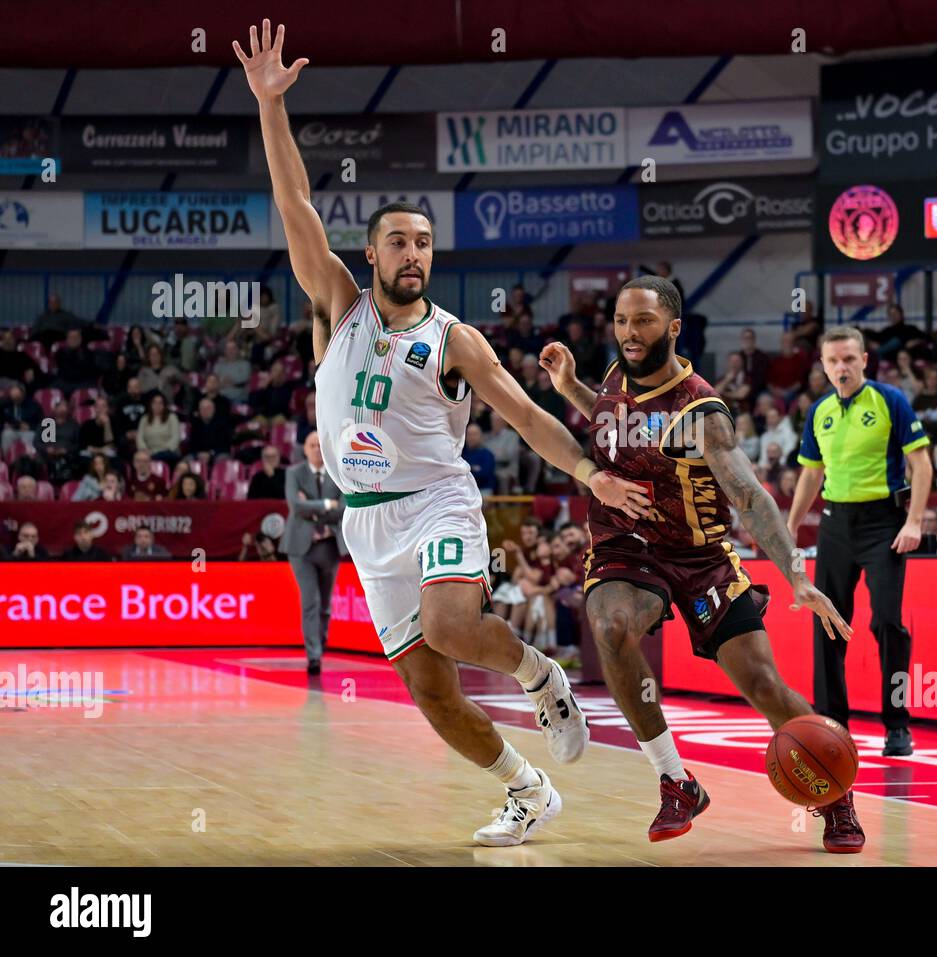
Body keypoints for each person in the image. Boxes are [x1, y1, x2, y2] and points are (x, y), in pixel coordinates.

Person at [237, 20, 647, 848]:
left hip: (437, 502)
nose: (414, 252)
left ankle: (542, 676)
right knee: (430, 688)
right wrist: (269, 107)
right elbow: (293, 203)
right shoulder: (336, 306)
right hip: (364, 517)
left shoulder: (456, 337)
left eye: (424, 241)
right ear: (372, 251)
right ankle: (525, 790)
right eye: (399, 241)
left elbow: (526, 416)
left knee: (456, 626)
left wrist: (589, 472)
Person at [540, 277, 857, 852]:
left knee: (762, 684)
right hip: (627, 546)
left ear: (674, 327)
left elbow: (750, 497)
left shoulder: (700, 410)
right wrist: (570, 388)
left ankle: (835, 795)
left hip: (700, 556)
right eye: (621, 321)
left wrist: (797, 576)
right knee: (610, 624)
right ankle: (675, 779)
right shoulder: (615, 376)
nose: (629, 334)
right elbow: (613, 418)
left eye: (643, 322)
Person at [784, 326, 932, 758]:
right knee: (828, 622)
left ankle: (897, 726)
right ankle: (833, 725)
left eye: (849, 359)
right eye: (833, 361)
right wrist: (790, 526)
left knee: (887, 622)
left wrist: (914, 522)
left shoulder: (890, 400)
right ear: (824, 366)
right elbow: (811, 473)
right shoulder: (819, 411)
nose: (841, 367)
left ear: (865, 360)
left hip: (884, 524)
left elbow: (921, 466)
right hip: (835, 525)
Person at [281, 432, 347, 673]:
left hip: (328, 546)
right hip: (300, 547)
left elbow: (344, 508)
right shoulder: (294, 473)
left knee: (325, 605)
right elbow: (296, 507)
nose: (317, 449)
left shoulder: (339, 472)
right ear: (305, 449)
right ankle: (314, 656)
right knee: (311, 600)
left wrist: (315, 508)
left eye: (321, 445)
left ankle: (321, 639)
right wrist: (326, 505)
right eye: (312, 445)